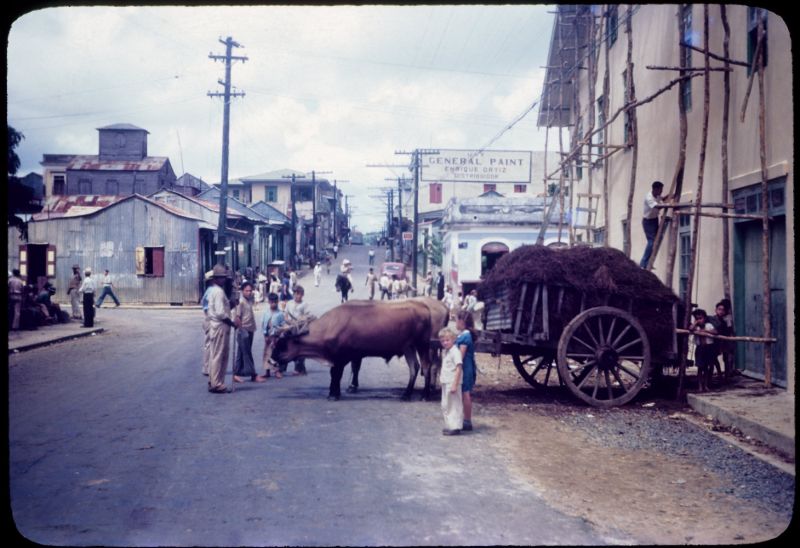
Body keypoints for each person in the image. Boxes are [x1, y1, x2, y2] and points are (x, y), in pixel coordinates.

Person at [206, 264, 236, 393]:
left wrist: (231, 305)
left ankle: (213, 381)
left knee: (215, 355)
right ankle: (217, 384)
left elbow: (221, 308)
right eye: (221, 278)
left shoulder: (214, 290)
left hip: (216, 326)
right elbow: (220, 313)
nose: (224, 280)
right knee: (220, 355)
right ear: (215, 279)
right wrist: (232, 323)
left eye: (224, 278)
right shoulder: (218, 292)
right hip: (220, 326)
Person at [232, 282, 263, 383]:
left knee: (241, 353)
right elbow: (237, 318)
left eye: (250, 290)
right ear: (242, 291)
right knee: (247, 353)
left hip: (250, 330)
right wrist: (241, 331)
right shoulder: (240, 302)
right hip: (244, 331)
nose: (249, 292)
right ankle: (253, 375)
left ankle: (235, 374)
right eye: (247, 291)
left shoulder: (249, 300)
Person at [639, 180, 671, 268]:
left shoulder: (656, 195)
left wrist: (670, 195)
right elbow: (657, 206)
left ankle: (649, 262)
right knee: (651, 242)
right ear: (655, 189)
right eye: (660, 190)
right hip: (647, 222)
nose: (661, 192)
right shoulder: (649, 197)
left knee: (657, 239)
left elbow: (662, 199)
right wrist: (668, 205)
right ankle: (643, 262)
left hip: (654, 220)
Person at [438, 327, 463, 436]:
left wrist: (455, 384)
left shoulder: (455, 352)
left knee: (454, 405)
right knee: (446, 405)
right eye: (443, 341)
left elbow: (458, 368)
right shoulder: (446, 352)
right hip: (446, 382)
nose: (445, 343)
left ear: (453, 339)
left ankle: (456, 427)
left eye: (447, 340)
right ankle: (450, 425)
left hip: (452, 383)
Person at [456, 310, 478, 432]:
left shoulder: (465, 336)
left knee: (465, 393)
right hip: (465, 367)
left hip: (465, 368)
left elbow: (460, 356)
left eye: (456, 319)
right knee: (464, 393)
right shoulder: (464, 334)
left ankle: (467, 421)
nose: (455, 322)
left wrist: (454, 368)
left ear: (462, 321)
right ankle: (463, 418)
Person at [257, 293, 286, 380]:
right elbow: (263, 325)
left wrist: (279, 336)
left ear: (277, 302)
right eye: (271, 302)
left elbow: (282, 325)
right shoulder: (266, 313)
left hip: (276, 337)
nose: (273, 304)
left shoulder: (280, 314)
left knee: (275, 354)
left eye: (275, 302)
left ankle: (277, 371)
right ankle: (267, 371)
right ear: (269, 302)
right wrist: (265, 335)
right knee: (267, 353)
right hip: (268, 336)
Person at [284, 285, 310, 375]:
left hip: (301, 329)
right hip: (290, 328)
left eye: (298, 294)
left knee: (300, 350)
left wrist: (299, 321)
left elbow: (306, 317)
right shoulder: (289, 303)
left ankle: (299, 368)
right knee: (284, 345)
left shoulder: (304, 305)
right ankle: (282, 367)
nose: (296, 295)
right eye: (295, 293)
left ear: (302, 295)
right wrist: (289, 322)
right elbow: (285, 316)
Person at [689, 308, 717, 392]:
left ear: (704, 318)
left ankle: (706, 385)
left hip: (708, 347)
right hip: (700, 348)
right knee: (700, 368)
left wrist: (704, 330)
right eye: (697, 319)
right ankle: (700, 386)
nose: (699, 320)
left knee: (707, 368)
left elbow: (715, 332)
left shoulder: (708, 325)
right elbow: (690, 329)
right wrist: (695, 323)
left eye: (700, 318)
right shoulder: (695, 328)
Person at [709, 300, 734, 381]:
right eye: (719, 309)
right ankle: (718, 373)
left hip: (724, 341)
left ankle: (725, 376)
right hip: (713, 342)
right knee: (713, 358)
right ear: (716, 310)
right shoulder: (711, 319)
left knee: (725, 358)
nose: (721, 311)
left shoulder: (726, 320)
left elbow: (728, 330)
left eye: (723, 310)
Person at [201, 271, 214, 377]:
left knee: (209, 343)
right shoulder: (211, 291)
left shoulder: (209, 290)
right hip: (209, 318)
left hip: (207, 317)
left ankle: (208, 367)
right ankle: (207, 368)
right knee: (209, 344)